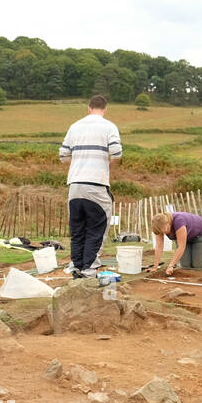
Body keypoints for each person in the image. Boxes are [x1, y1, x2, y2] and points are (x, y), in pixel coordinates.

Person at [59, 95, 122, 278]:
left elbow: (63, 156)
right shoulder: (109, 126)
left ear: (89, 108)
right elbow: (117, 153)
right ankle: (89, 269)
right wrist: (107, 167)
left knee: (77, 230)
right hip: (96, 185)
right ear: (105, 109)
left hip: (75, 186)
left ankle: (76, 266)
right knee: (97, 228)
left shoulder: (74, 126)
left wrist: (79, 165)